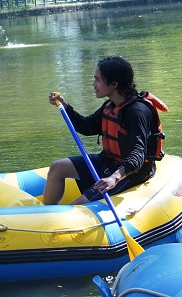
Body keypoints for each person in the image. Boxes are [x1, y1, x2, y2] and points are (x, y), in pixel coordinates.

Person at [42, 56, 168, 205]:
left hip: (132, 172)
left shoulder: (137, 111)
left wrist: (114, 177)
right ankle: (46, 213)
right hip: (109, 161)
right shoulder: (111, 105)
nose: (93, 84)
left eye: (97, 80)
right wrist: (65, 106)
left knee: (77, 206)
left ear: (114, 83)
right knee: (58, 167)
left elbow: (138, 153)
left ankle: (57, 222)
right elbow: (86, 127)